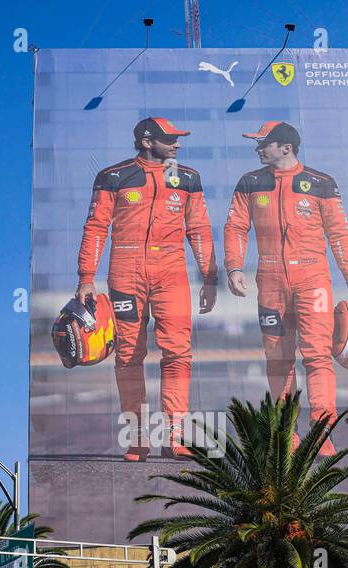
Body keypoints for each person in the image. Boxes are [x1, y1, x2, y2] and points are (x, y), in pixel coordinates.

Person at [76, 116, 219, 461]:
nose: (177, 144)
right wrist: (85, 277)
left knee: (178, 353)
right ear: (145, 140)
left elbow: (198, 229)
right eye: (170, 138)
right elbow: (96, 227)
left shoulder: (188, 178)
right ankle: (138, 436)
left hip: (171, 273)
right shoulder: (113, 176)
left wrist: (209, 277)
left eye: (178, 138)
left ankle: (177, 436)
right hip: (126, 272)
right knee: (128, 356)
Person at [224, 120, 348, 455]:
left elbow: (340, 235)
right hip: (270, 282)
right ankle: (287, 435)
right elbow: (235, 227)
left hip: (313, 280)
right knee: (278, 360)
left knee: (317, 355)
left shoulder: (321, 184)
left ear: (286, 147)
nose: (258, 148)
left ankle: (321, 433)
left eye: (264, 143)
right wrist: (234, 267)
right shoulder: (249, 182)